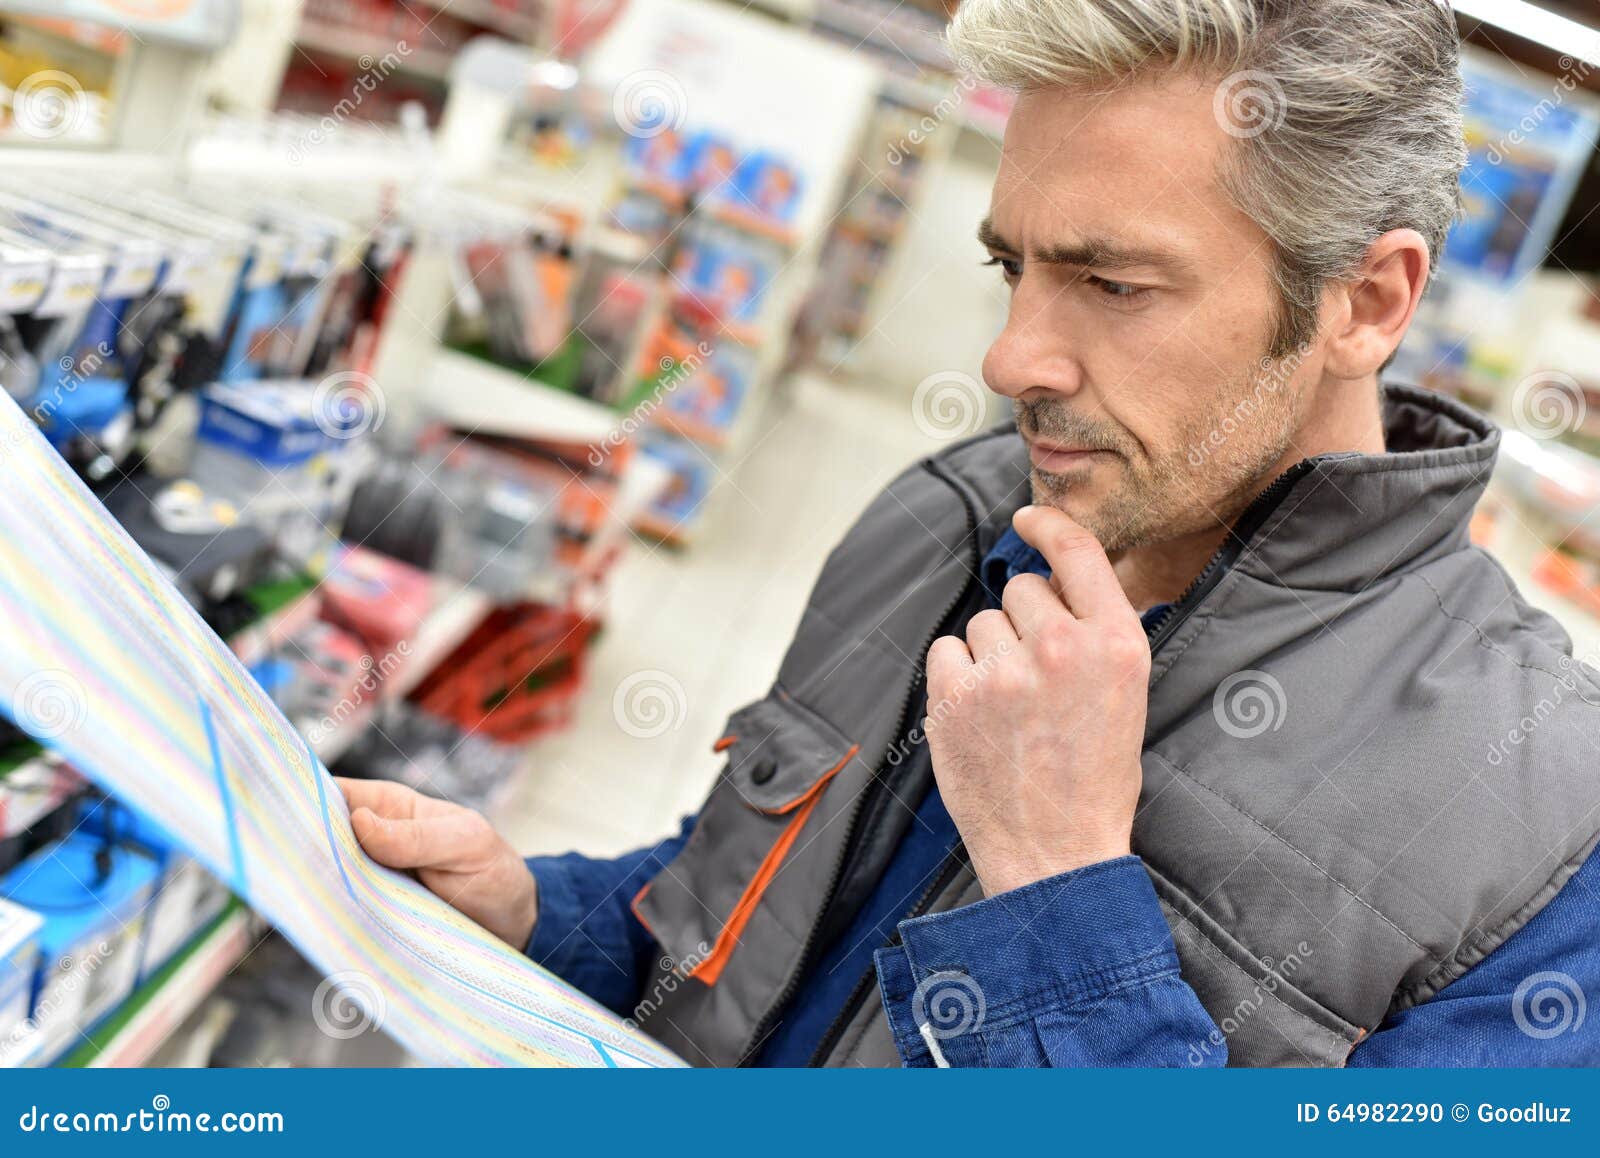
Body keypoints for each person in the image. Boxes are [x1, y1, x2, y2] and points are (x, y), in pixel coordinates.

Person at [340, 0, 1600, 1066]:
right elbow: (725, 919)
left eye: (1113, 285)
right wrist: (536, 917)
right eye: (1014, 269)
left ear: (1365, 301)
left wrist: (1057, 894)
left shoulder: (1546, 845)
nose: (1010, 358)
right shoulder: (953, 518)